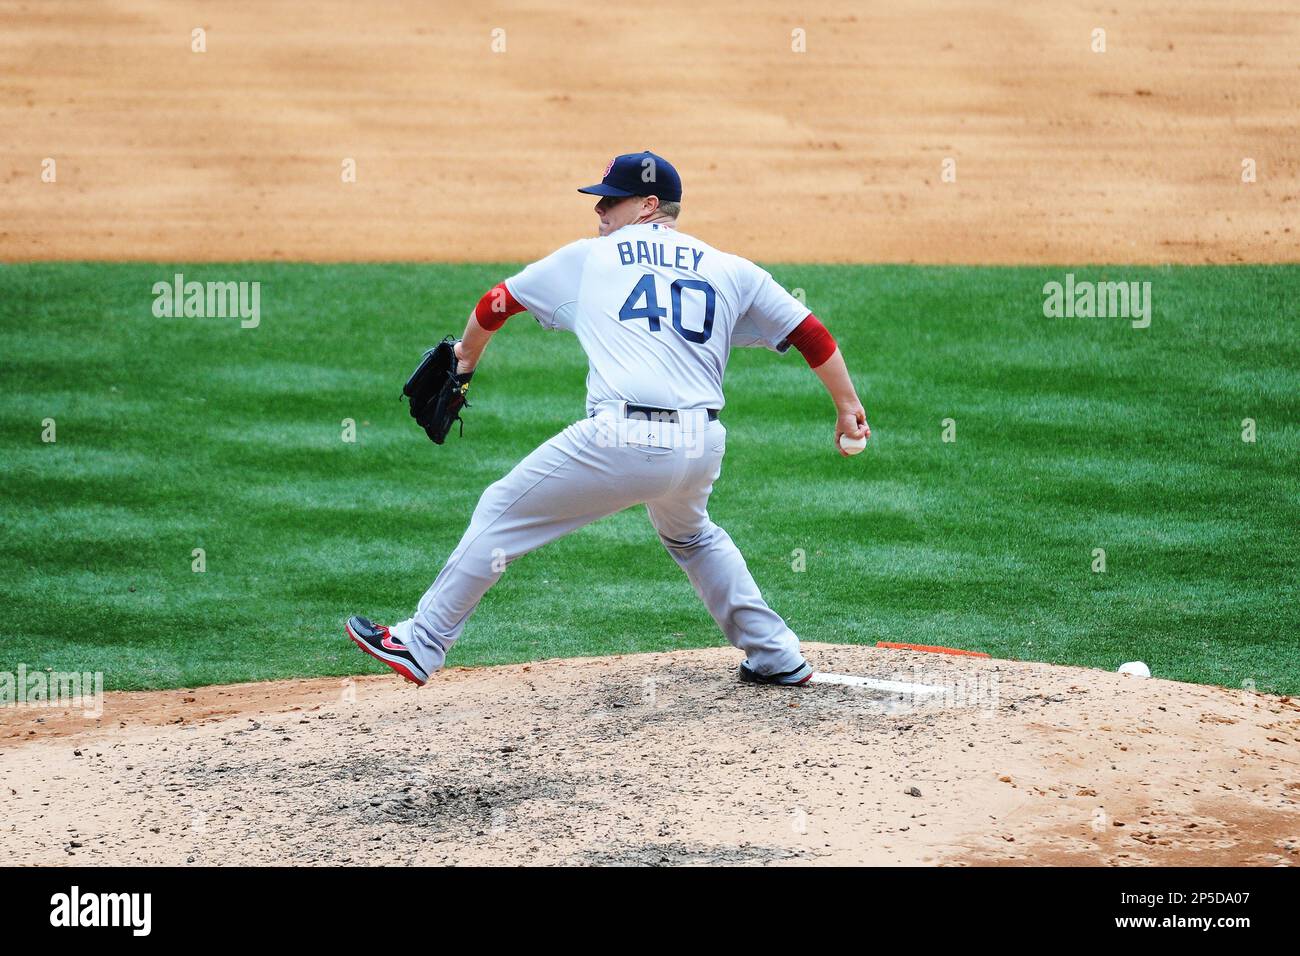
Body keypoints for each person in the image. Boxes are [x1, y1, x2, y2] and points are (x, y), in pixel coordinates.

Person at [346, 150, 870, 687]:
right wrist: (847, 407)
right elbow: (812, 334)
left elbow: (495, 304)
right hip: (701, 445)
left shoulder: (589, 258)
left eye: (610, 202)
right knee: (692, 536)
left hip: (624, 439)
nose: (600, 213)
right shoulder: (730, 267)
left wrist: (465, 358)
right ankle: (776, 655)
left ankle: (421, 641)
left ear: (647, 206)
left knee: (501, 509)